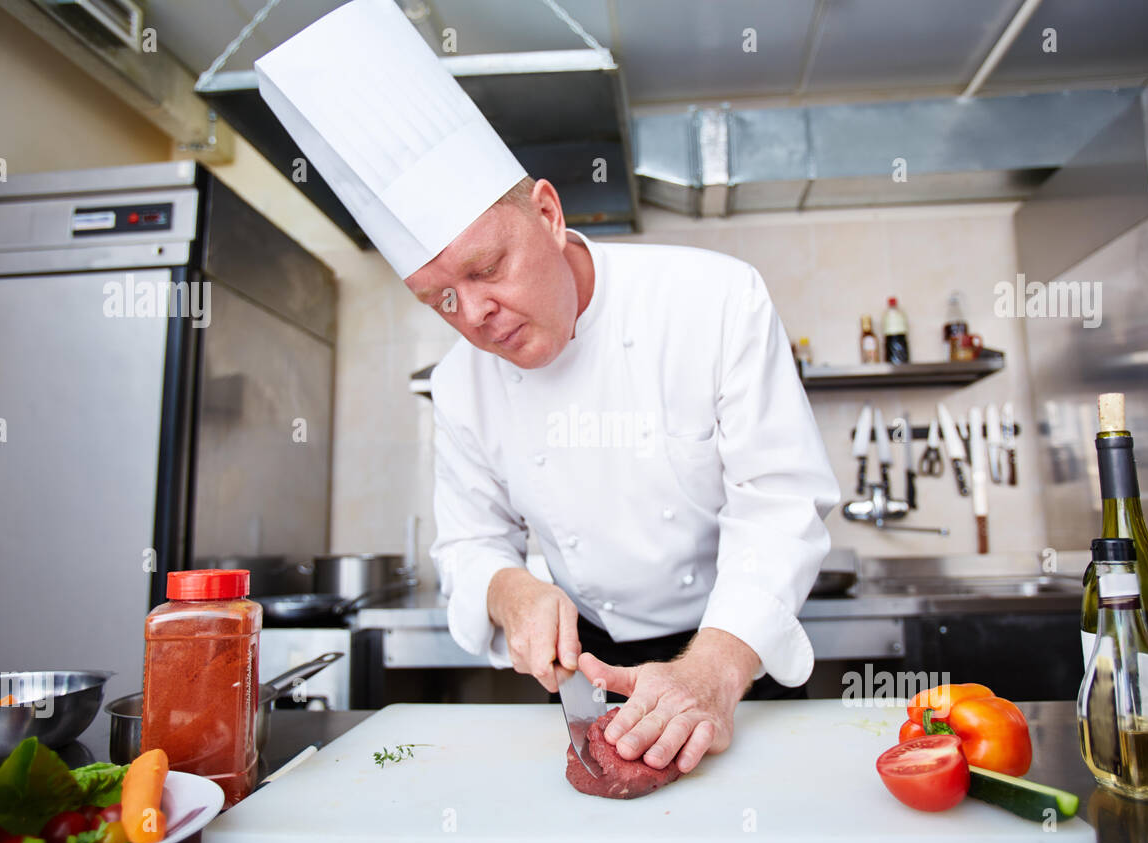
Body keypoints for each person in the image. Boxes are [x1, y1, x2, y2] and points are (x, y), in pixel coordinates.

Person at [257, 0, 840, 777]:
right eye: (440, 299)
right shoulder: (461, 385)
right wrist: (511, 594)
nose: (474, 316)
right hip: (588, 672)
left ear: (547, 213)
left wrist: (711, 673)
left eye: (485, 269)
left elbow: (780, 500)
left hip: (732, 654)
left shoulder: (714, 300)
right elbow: (470, 545)